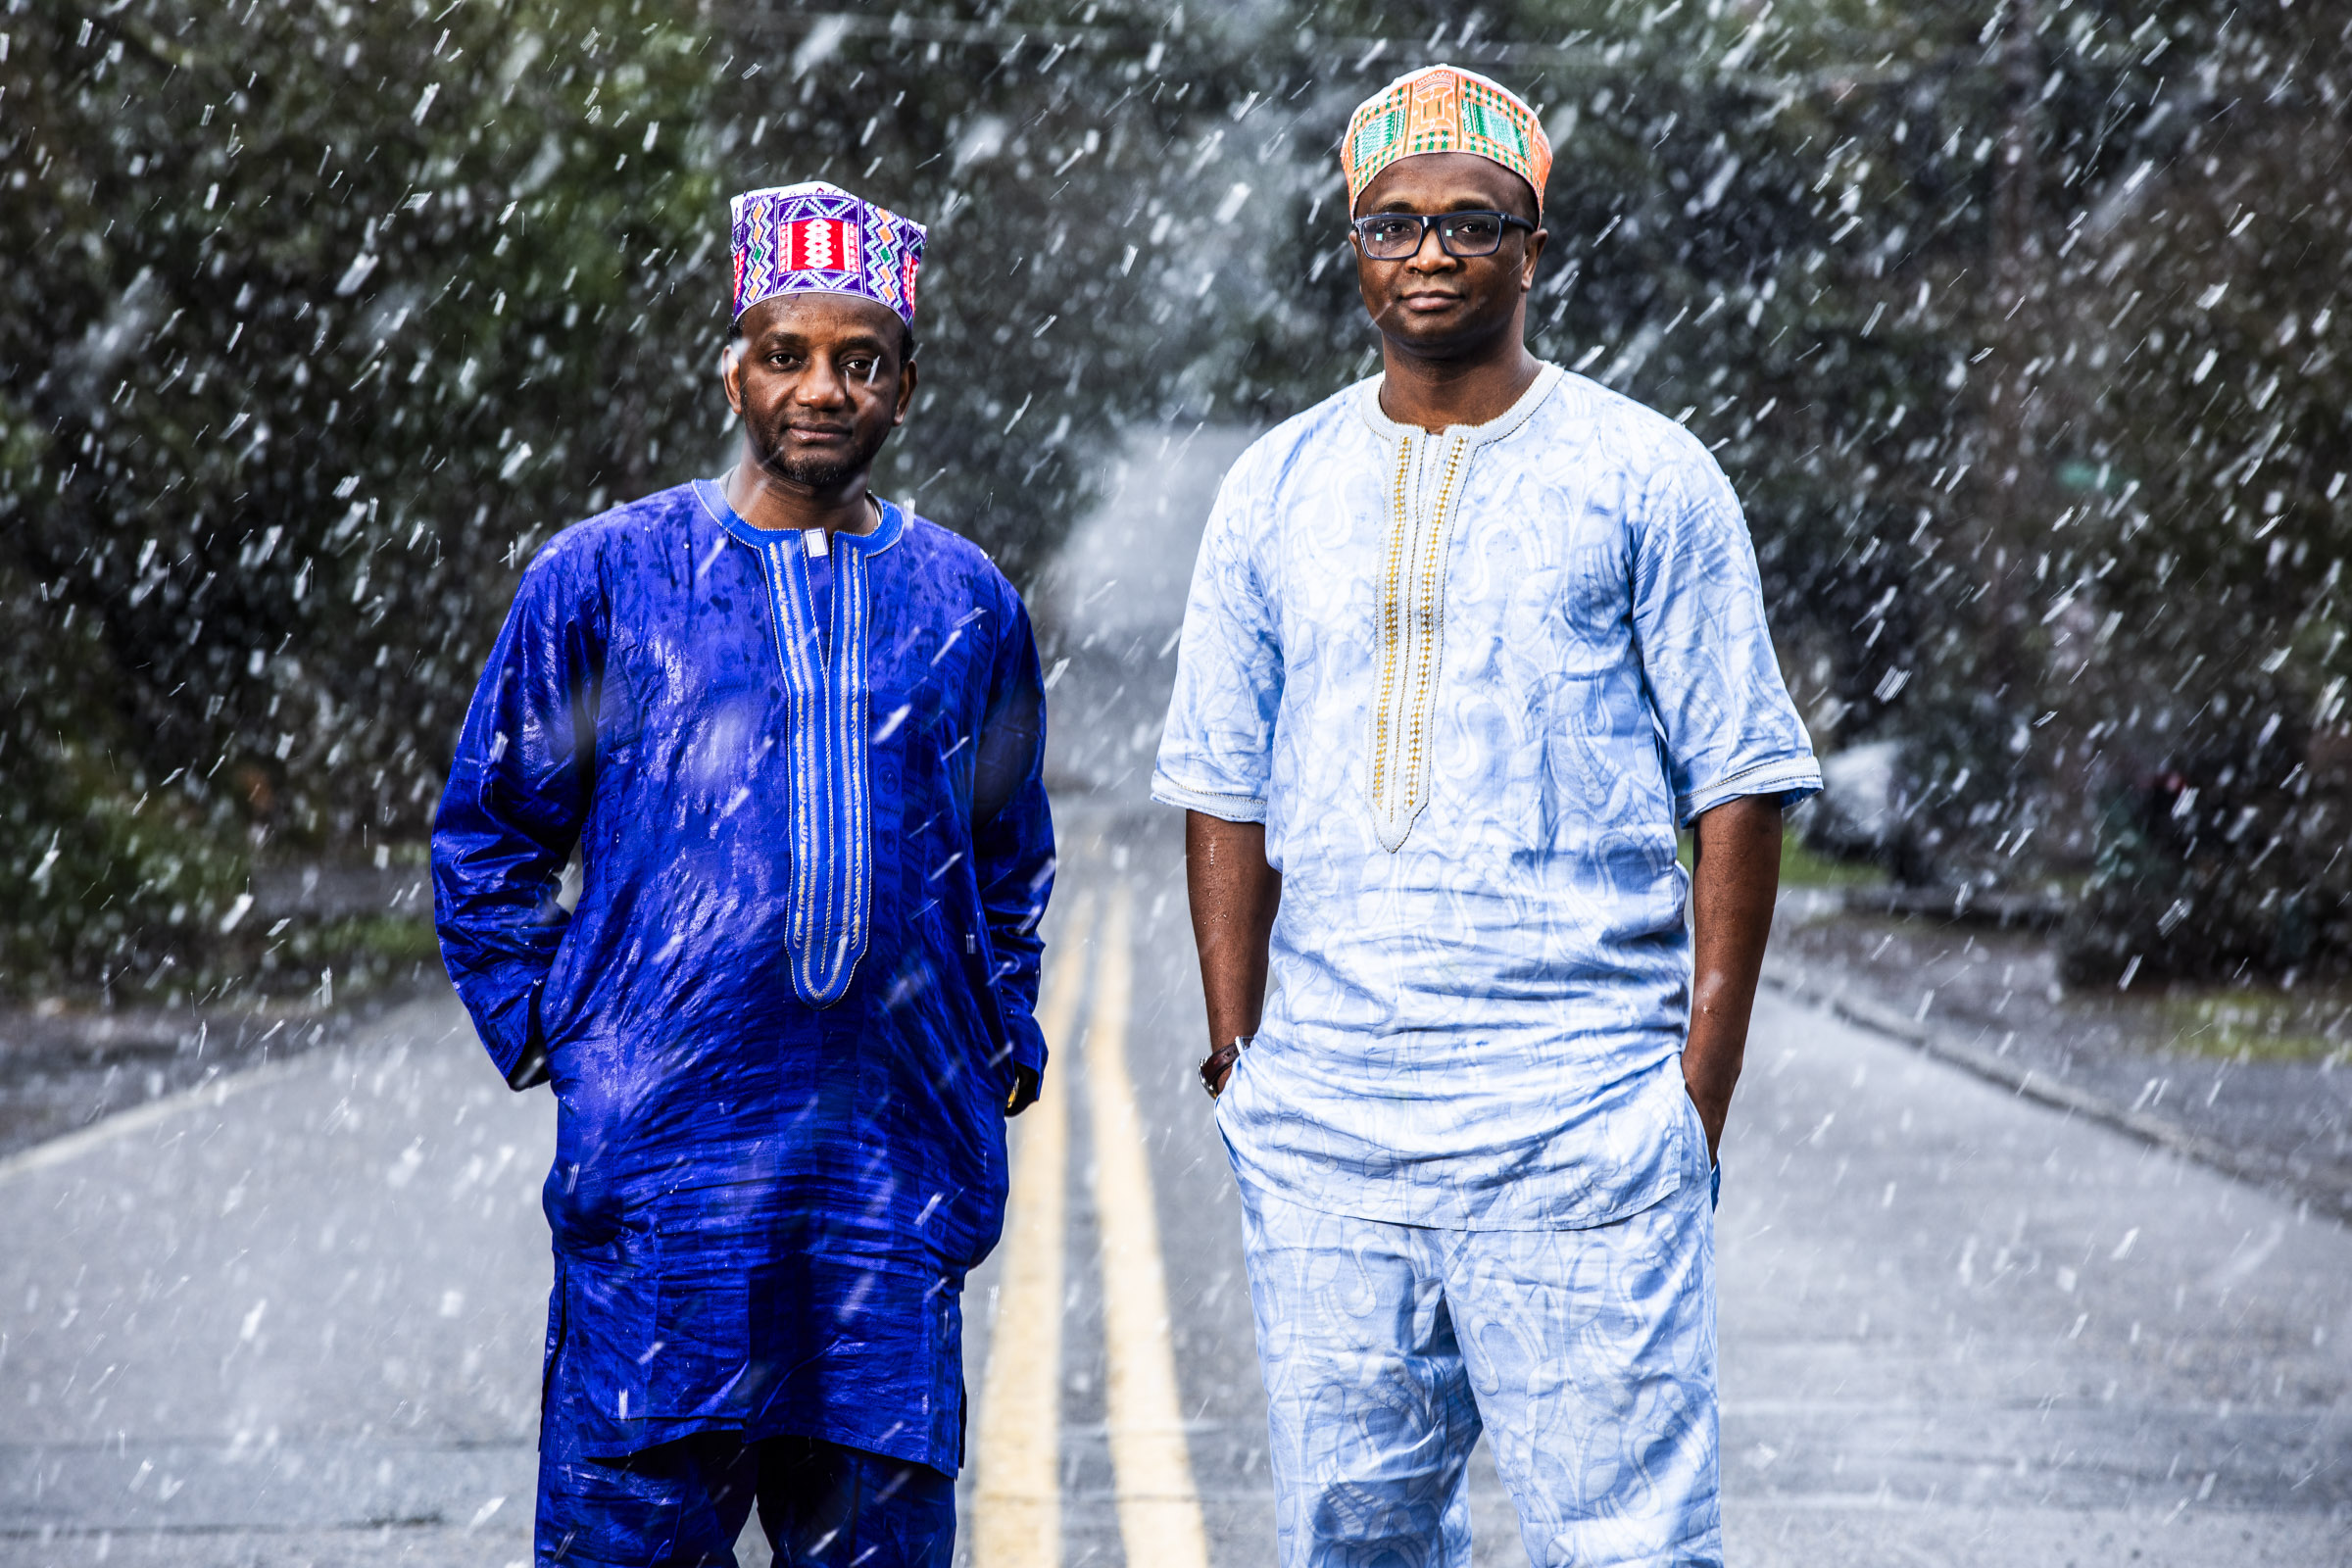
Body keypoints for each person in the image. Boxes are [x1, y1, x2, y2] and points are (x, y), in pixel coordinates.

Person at [1153, 65, 1820, 1568]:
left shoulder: (1650, 477)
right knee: (1355, 1542)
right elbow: (1220, 782)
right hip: (1331, 1140)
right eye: (1395, 223)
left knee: (1627, 1547)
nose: (1433, 251)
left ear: (1534, 245)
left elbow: (1740, 781)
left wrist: (1689, 1103)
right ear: (1353, 248)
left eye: (1474, 220)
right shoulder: (1273, 489)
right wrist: (1245, 1062)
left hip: (1579, 1123)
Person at [433, 180, 1054, 1568]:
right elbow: (489, 833)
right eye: (788, 353)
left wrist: (995, 1041)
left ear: (907, 383)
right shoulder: (604, 578)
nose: (821, 389)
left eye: (860, 360)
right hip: (666, 1189)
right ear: (736, 369)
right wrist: (564, 1037)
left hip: (884, 1193)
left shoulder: (968, 604)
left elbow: (1008, 859)